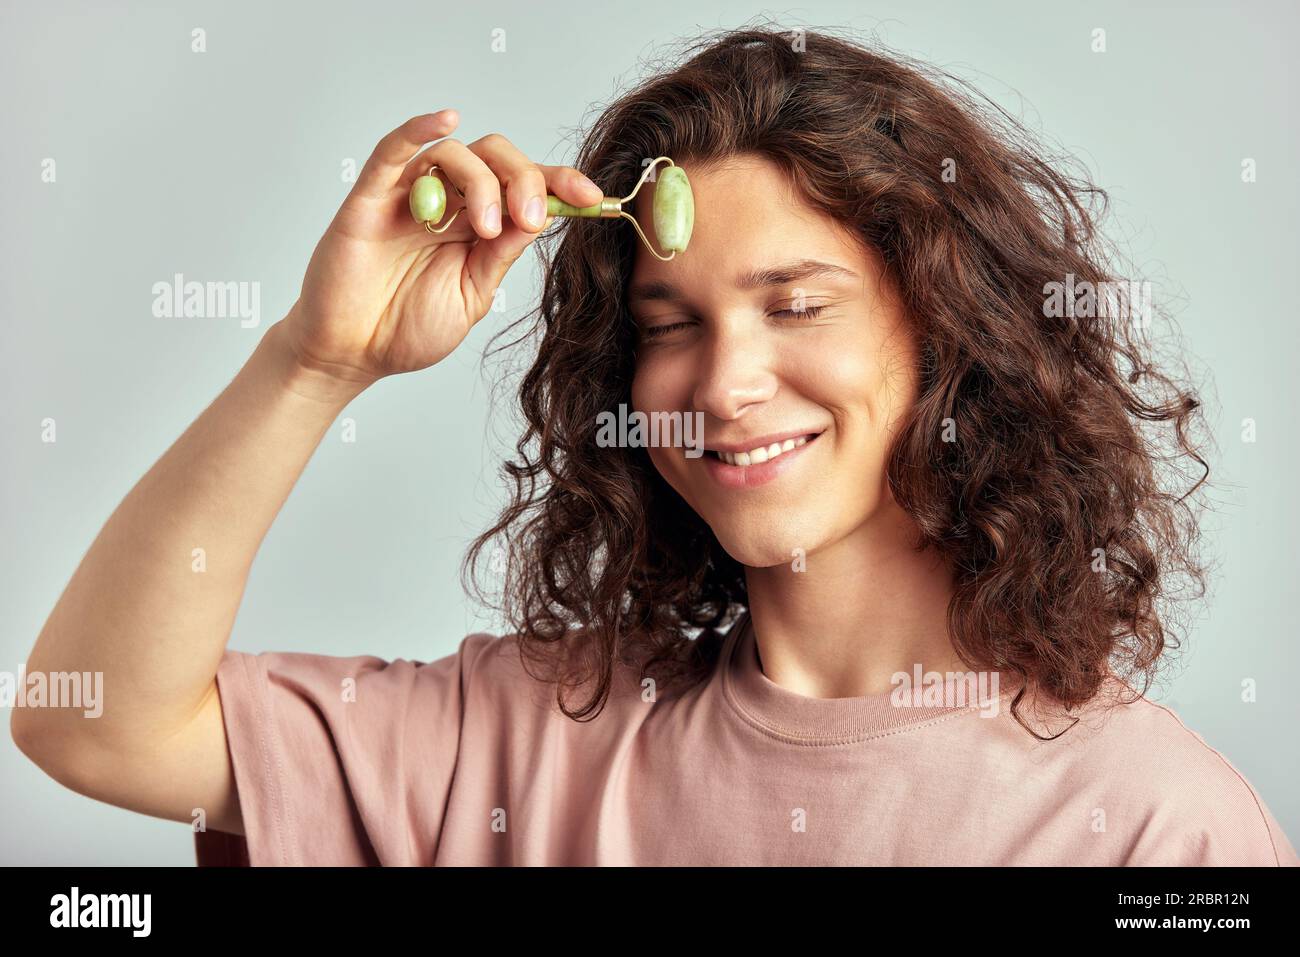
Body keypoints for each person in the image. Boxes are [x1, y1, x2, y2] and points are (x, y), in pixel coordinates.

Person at [13, 26, 1297, 866]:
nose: (725, 383)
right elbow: (96, 726)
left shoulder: (1156, 834)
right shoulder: (520, 737)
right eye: (668, 324)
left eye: (795, 306)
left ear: (952, 337)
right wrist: (315, 362)